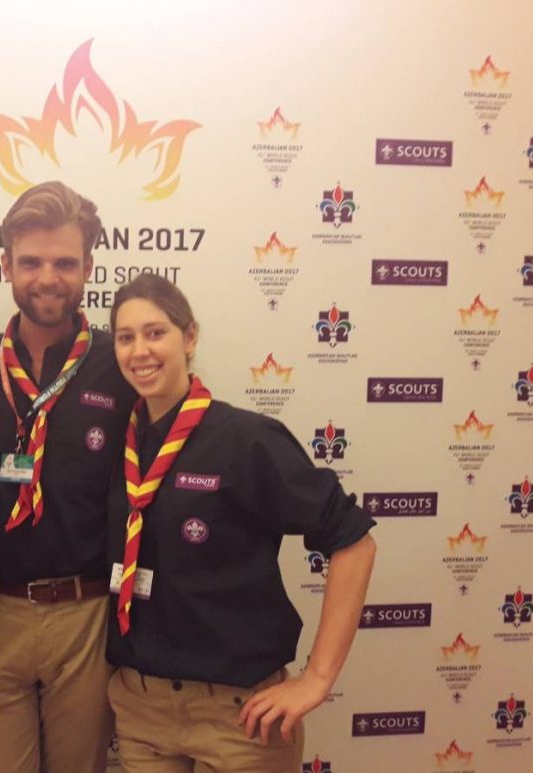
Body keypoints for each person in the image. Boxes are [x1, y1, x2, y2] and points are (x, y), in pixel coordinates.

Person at [106, 274, 377, 773]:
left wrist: (318, 678)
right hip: (141, 711)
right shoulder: (116, 446)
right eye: (126, 338)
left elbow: (353, 542)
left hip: (238, 717)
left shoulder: (245, 440)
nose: (140, 350)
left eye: (155, 332)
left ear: (189, 338)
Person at [0, 181, 136, 773]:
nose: (47, 278)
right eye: (30, 262)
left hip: (85, 614)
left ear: (88, 267)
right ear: (5, 265)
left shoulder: (124, 365)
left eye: (64, 262)